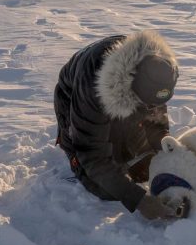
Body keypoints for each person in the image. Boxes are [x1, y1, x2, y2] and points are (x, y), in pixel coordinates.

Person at [54, 30, 179, 220]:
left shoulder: (158, 72)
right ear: (132, 92)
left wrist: (167, 153)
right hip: (74, 101)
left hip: (123, 95)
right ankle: (70, 150)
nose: (155, 109)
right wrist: (139, 200)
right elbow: (92, 155)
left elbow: (157, 124)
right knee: (104, 187)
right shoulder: (92, 89)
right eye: (149, 105)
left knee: (145, 168)